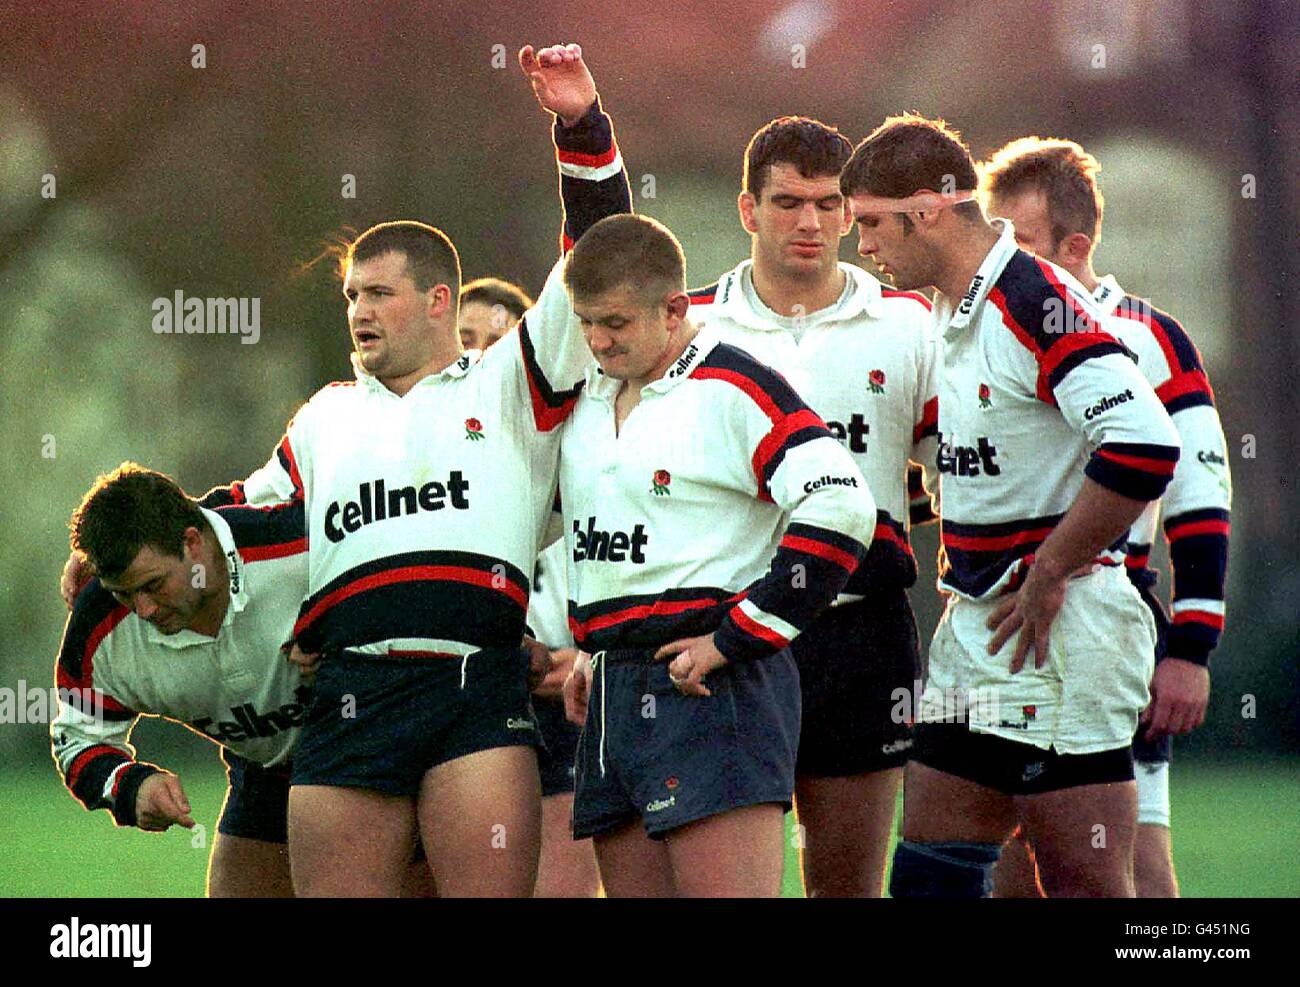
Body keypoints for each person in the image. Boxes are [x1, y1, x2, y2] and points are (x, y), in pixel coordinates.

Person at [199, 43, 631, 896]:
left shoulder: (511, 381)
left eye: (378, 293)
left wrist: (581, 126)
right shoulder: (324, 417)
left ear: (439, 301)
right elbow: (234, 525)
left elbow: (599, 254)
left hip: (477, 684)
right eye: (350, 295)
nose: (357, 310)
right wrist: (116, 549)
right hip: (350, 690)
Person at [841, 113, 1182, 897]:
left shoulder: (1032, 296)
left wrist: (1052, 567)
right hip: (977, 627)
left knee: (1084, 883)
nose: (861, 245)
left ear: (927, 209)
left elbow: (1143, 446)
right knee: (928, 874)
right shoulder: (949, 306)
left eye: (871, 223)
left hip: (1060, 636)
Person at [559, 213, 877, 897]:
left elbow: (844, 507)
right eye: (585, 322)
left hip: (710, 684)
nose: (597, 339)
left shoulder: (734, 383)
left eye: (615, 322)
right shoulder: (588, 392)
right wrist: (592, 645)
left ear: (675, 309)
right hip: (613, 688)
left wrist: (738, 636)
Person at [685, 116, 939, 897]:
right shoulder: (691, 325)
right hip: (725, 633)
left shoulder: (906, 321)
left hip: (861, 631)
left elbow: (966, 465)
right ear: (747, 209)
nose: (811, 222)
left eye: (830, 204)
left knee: (848, 886)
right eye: (788, 202)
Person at [980, 136, 1232, 898]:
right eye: (996, 241)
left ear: (1076, 247)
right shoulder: (984, 329)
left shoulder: (1150, 337)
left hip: (1110, 624)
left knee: (1132, 863)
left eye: (1022, 244)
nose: (1005, 263)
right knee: (1012, 870)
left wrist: (1191, 648)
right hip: (1004, 632)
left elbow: (1199, 495)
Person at [52, 463, 310, 897]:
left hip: (371, 745)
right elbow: (76, 740)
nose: (144, 610)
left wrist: (347, 625)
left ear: (192, 543)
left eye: (154, 585)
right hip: (265, 771)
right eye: (124, 593)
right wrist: (130, 786)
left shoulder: (292, 541)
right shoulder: (99, 624)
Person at [459, 276, 601, 898]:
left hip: (564, 701)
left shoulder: (587, 449)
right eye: (465, 339)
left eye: (497, 342)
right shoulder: (426, 459)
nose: (480, 355)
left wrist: (586, 653)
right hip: (467, 701)